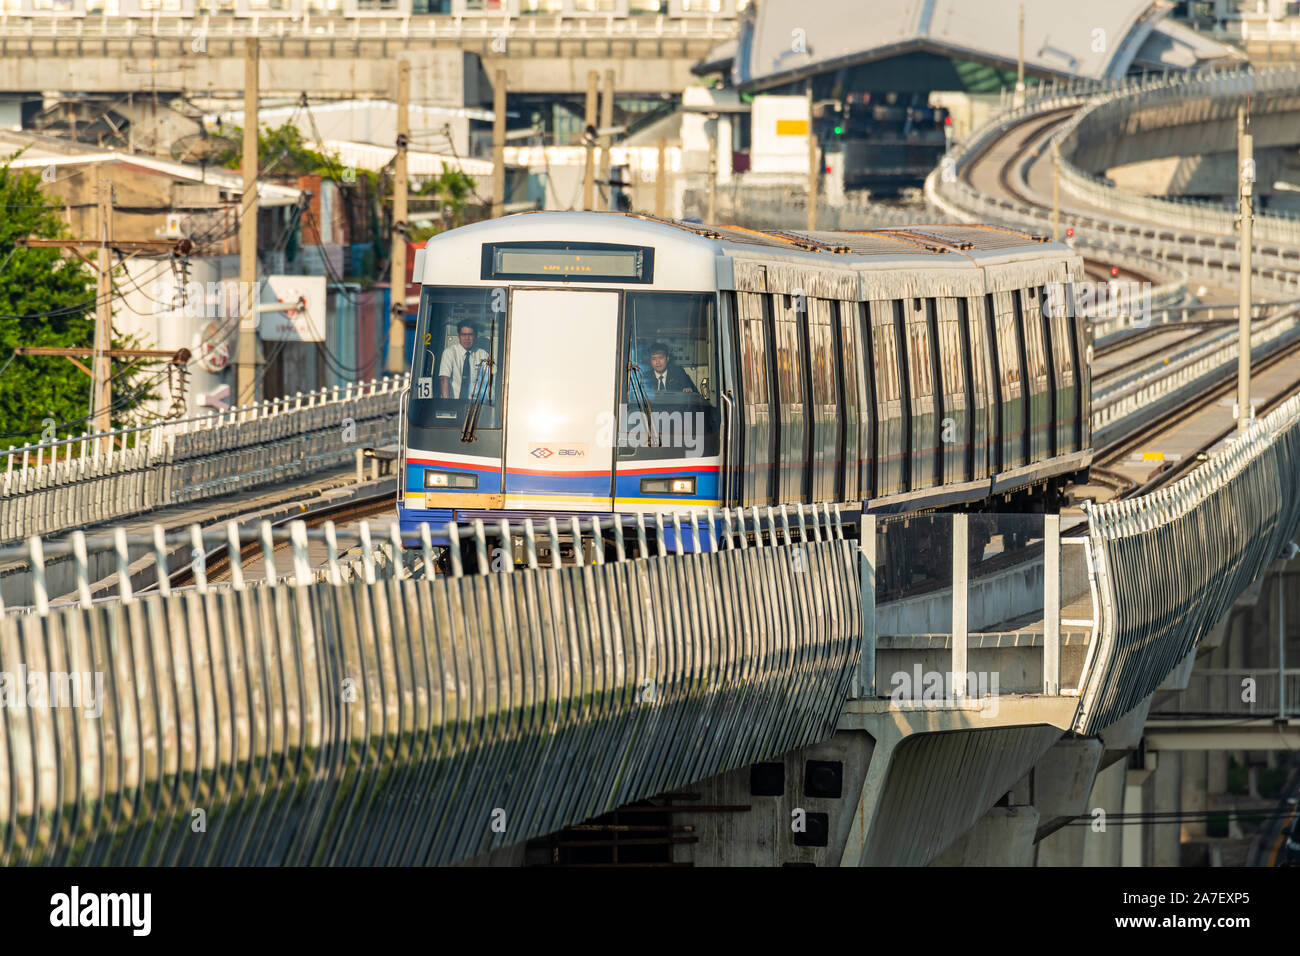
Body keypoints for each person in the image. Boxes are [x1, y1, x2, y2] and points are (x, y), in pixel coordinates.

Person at [438, 321, 490, 399]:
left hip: (475, 405)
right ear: (458, 336)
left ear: (475, 336)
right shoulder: (449, 353)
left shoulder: (483, 355)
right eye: (464, 335)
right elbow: (444, 379)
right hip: (453, 403)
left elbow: (491, 379)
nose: (467, 338)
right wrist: (447, 403)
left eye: (470, 335)